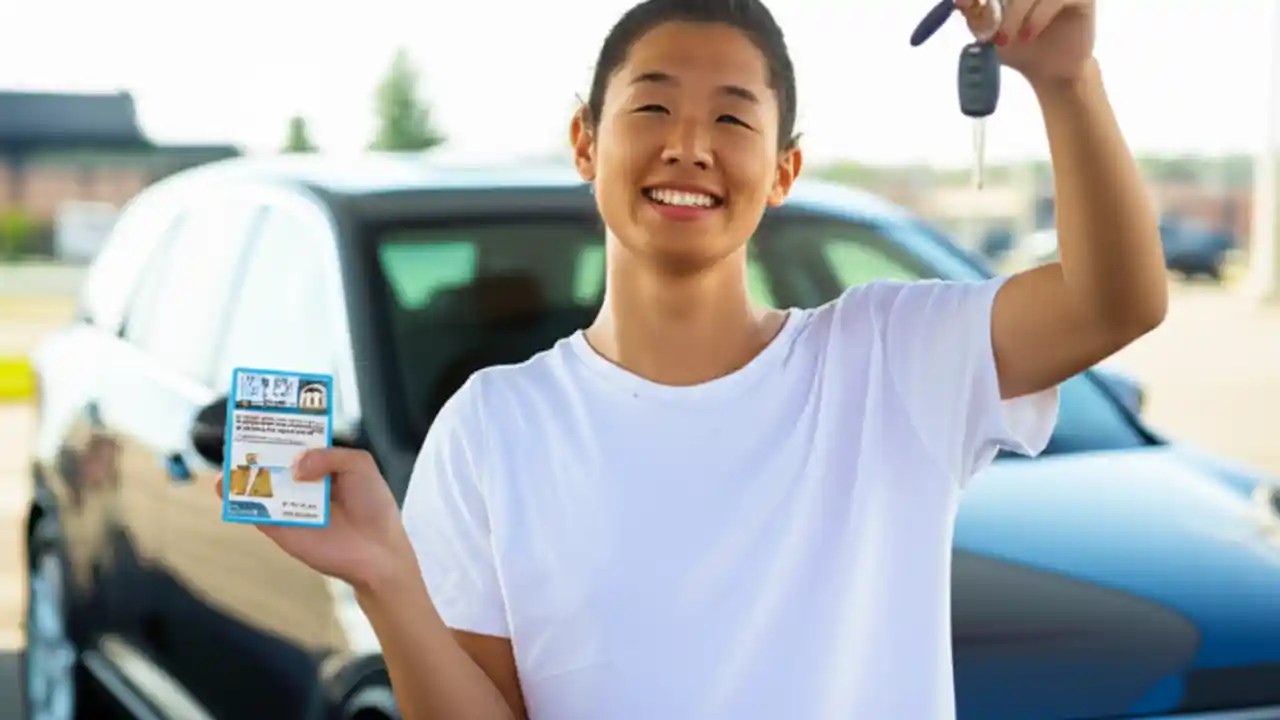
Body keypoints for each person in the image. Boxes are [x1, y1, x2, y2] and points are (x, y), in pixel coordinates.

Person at [218, 0, 1168, 717]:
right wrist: (385, 576)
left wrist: (1066, 81)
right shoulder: (492, 424)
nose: (688, 147)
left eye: (732, 119)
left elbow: (1113, 300)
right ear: (586, 140)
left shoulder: (887, 362)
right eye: (653, 107)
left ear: (785, 170)